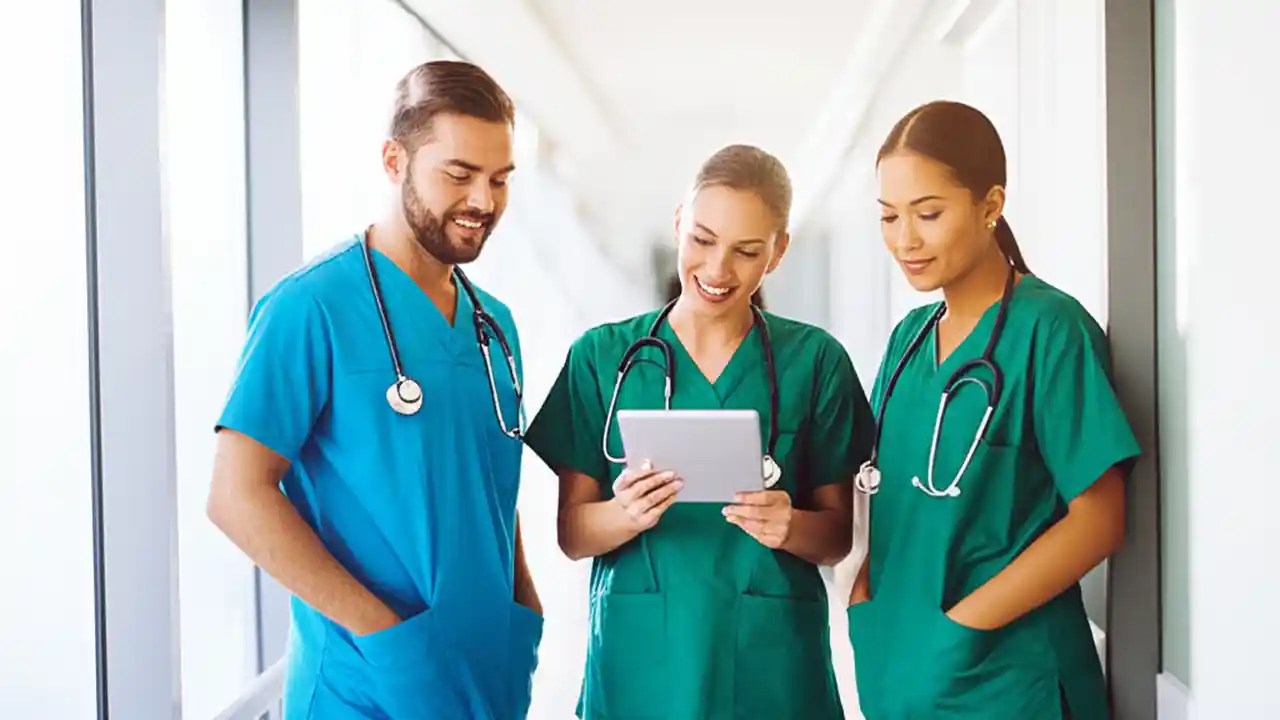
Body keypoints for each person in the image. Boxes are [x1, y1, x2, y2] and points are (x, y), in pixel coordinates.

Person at [207, 60, 542, 719]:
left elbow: (489, 481)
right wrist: (382, 631)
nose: (484, 200)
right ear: (395, 161)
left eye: (500, 179)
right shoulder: (311, 306)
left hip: (485, 681)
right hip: (365, 688)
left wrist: (522, 607)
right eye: (459, 174)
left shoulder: (493, 324)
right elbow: (234, 496)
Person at [524, 144, 875, 719]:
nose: (717, 270)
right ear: (679, 224)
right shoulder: (603, 358)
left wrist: (789, 526)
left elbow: (836, 538)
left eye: (746, 251)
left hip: (772, 662)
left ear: (778, 252)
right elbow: (572, 533)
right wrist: (625, 514)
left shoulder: (815, 362)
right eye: (703, 240)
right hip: (642, 658)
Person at [846, 100, 1139, 719]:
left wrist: (964, 628)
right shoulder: (909, 341)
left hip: (1009, 677)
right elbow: (899, 500)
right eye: (889, 217)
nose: (906, 239)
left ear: (990, 205)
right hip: (901, 668)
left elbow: (1099, 519)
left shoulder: (1049, 329)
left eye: (928, 213)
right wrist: (867, 602)